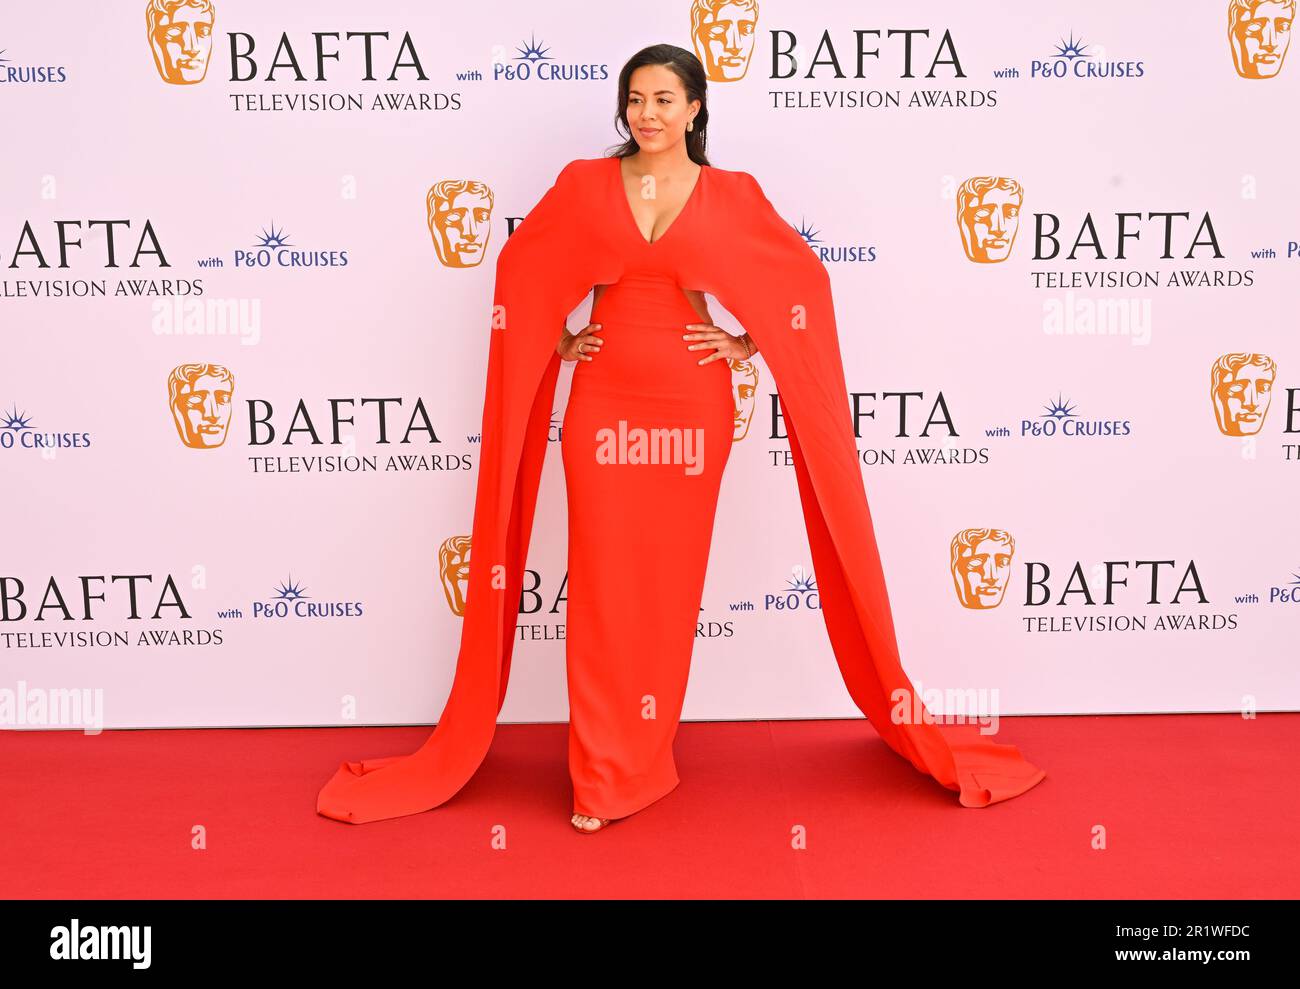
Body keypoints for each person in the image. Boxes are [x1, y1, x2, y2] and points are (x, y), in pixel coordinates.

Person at [316, 44, 1046, 832]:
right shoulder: (584, 183)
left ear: (695, 108)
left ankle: (641, 756)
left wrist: (745, 343)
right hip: (602, 406)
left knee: (664, 589)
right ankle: (603, 776)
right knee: (600, 588)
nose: (647, 114)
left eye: (664, 98)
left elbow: (803, 284)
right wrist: (557, 339)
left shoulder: (731, 194)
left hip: (691, 410)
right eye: (635, 99)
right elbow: (522, 269)